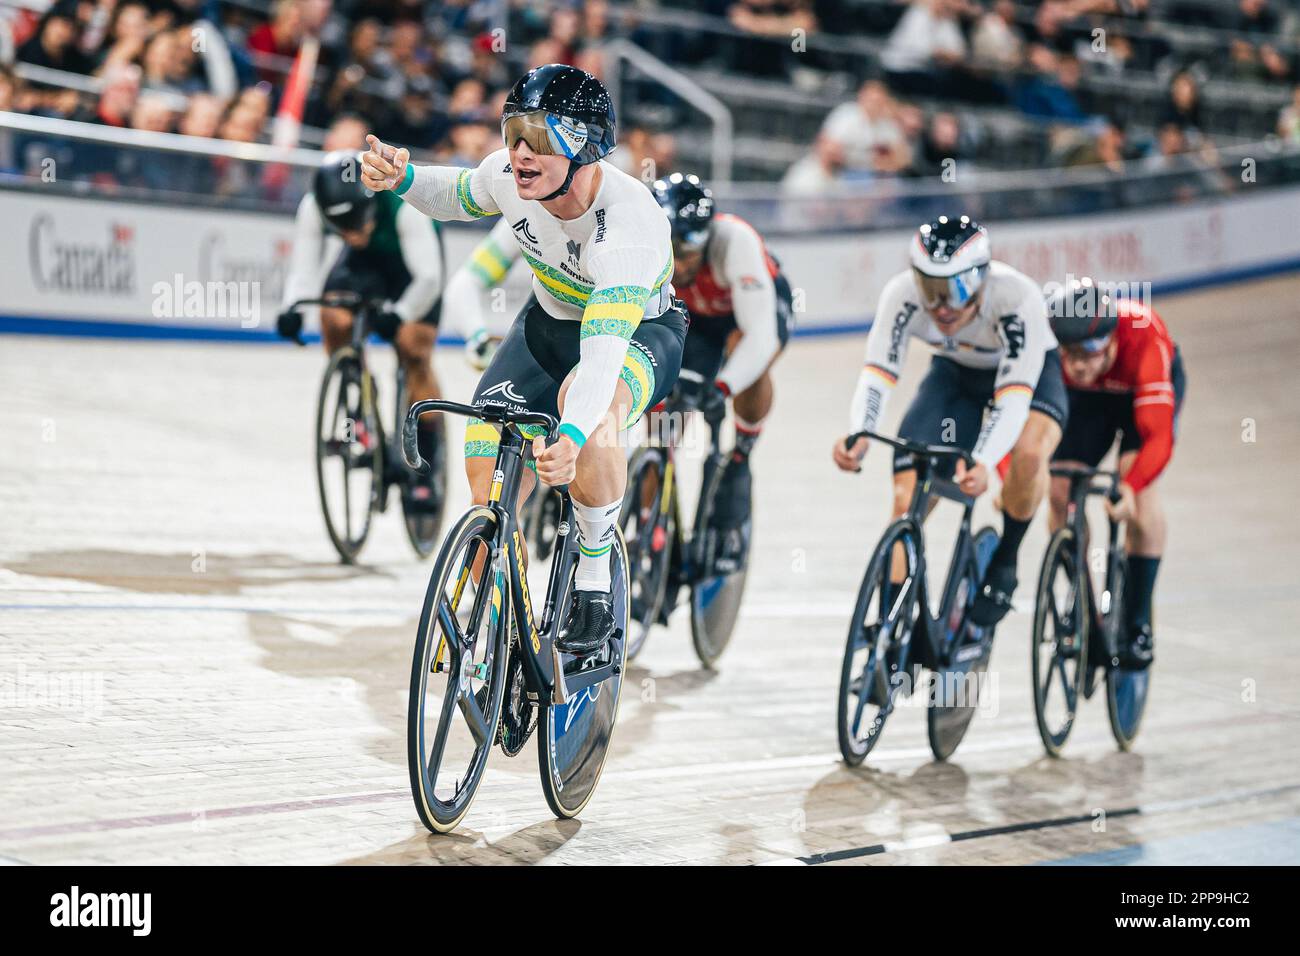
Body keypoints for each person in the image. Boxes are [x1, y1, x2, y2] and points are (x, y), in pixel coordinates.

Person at [361, 64, 686, 655]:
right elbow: (455, 196)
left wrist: (571, 434)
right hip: (548, 325)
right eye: (513, 134)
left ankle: (592, 572)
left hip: (640, 333)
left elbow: (602, 358)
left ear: (584, 145)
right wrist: (404, 178)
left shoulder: (630, 225)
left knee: (586, 411)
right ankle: (500, 593)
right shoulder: (509, 177)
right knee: (487, 452)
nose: (519, 153)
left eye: (539, 138)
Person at [832, 215, 1065, 628]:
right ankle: (891, 627)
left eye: (954, 290)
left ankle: (1005, 561)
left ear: (981, 279)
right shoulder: (900, 295)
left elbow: (1013, 398)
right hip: (957, 370)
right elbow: (878, 372)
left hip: (1028, 373)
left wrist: (985, 460)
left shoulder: (1016, 298)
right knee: (906, 500)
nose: (941, 306)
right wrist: (859, 431)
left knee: (1029, 455)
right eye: (930, 289)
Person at [276, 151, 447, 500]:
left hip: (412, 269)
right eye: (342, 228)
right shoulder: (314, 205)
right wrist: (292, 307)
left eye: (358, 223)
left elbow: (429, 279)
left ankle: (427, 468)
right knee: (334, 314)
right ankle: (361, 392)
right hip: (364, 266)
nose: (351, 234)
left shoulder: (401, 203)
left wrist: (399, 314)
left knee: (413, 347)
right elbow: (304, 268)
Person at [652, 172, 793, 572]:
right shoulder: (647, 249)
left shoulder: (736, 242)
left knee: (745, 358)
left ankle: (743, 449)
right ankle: (651, 523)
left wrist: (724, 386)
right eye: (670, 248)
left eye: (689, 246)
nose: (679, 262)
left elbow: (759, 338)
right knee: (661, 416)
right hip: (694, 318)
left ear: (708, 234)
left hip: (747, 319)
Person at [1046, 277, 1187, 668]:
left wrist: (1131, 485)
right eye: (1069, 351)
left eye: (1089, 350)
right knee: (1059, 490)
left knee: (1138, 497)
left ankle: (1138, 622)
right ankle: (1085, 607)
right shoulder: (1063, 361)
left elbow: (1158, 437)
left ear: (1111, 337)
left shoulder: (1144, 334)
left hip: (1137, 396)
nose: (1078, 362)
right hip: (1088, 401)